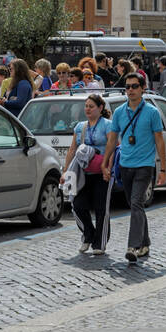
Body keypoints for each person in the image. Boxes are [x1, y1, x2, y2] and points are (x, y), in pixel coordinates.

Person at [102, 73, 166, 265]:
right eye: (127, 87)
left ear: (143, 88)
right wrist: (105, 163)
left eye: (134, 86)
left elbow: (159, 141)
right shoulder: (120, 112)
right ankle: (145, 242)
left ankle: (133, 246)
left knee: (136, 203)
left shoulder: (152, 113)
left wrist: (163, 168)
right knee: (134, 204)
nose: (130, 90)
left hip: (145, 166)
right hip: (125, 165)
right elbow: (112, 139)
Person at [64, 94, 113, 256]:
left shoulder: (107, 125)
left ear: (100, 108)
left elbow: (113, 147)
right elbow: (72, 149)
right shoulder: (80, 127)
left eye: (91, 106)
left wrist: (108, 168)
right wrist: (65, 172)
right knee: (77, 205)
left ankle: (100, 242)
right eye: (86, 106)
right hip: (82, 173)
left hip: (101, 172)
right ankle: (88, 233)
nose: (88, 109)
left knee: (101, 208)